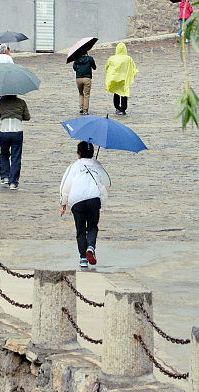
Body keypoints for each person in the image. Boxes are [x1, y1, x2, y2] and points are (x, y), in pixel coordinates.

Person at [59, 141, 111, 269]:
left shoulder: (73, 167)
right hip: (94, 200)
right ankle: (90, 247)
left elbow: (65, 185)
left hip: (77, 201)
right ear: (93, 153)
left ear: (79, 154)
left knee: (80, 230)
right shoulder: (98, 165)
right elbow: (107, 182)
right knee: (92, 227)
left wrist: (63, 202)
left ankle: (83, 258)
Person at [0, 92, 31, 189]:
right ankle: (13, 182)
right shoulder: (21, 102)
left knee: (4, 153)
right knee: (16, 156)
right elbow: (27, 117)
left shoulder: (1, 101)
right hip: (17, 131)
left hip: (4, 130)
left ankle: (5, 176)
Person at [105, 42, 138, 115]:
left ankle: (117, 107)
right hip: (124, 79)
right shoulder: (128, 59)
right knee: (124, 93)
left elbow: (107, 67)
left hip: (115, 78)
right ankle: (123, 109)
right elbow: (133, 68)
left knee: (116, 93)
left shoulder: (112, 58)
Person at [72, 50, 97, 114]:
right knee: (86, 95)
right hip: (87, 78)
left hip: (79, 78)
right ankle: (85, 110)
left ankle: (81, 107)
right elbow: (94, 67)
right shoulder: (90, 59)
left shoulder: (76, 59)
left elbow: (74, 68)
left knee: (81, 93)